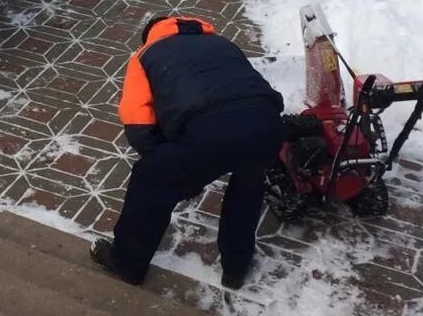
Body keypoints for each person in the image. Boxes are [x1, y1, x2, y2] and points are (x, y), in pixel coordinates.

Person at [89, 16, 285, 290]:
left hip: (211, 129)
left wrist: (176, 169)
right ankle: (236, 268)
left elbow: (139, 128)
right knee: (248, 187)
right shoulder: (221, 42)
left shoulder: (144, 55)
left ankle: (127, 263)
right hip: (267, 122)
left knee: (150, 180)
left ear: (150, 36)